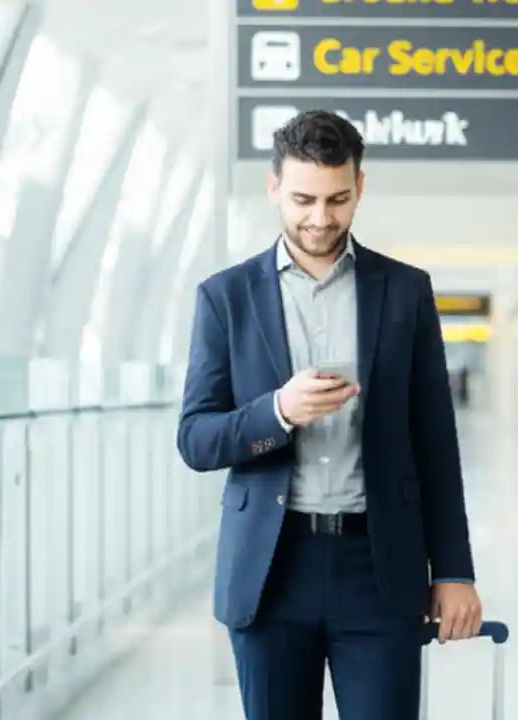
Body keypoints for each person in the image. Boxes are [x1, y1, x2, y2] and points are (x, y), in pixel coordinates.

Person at [175, 109, 483, 720]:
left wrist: (453, 571)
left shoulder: (406, 291)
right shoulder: (225, 298)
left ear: (360, 187)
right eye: (303, 199)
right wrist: (277, 412)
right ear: (273, 189)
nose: (321, 218)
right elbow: (196, 439)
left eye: (338, 199)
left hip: (380, 568)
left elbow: (435, 444)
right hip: (271, 570)